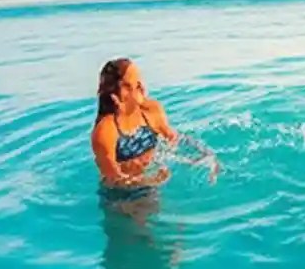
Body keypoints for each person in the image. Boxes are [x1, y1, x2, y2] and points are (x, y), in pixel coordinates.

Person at [90, 58, 218, 189]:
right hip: (120, 196)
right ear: (117, 95)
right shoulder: (105, 131)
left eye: (140, 83)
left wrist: (206, 157)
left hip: (151, 183)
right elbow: (113, 178)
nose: (142, 89)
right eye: (134, 85)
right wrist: (150, 181)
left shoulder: (151, 111)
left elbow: (174, 139)